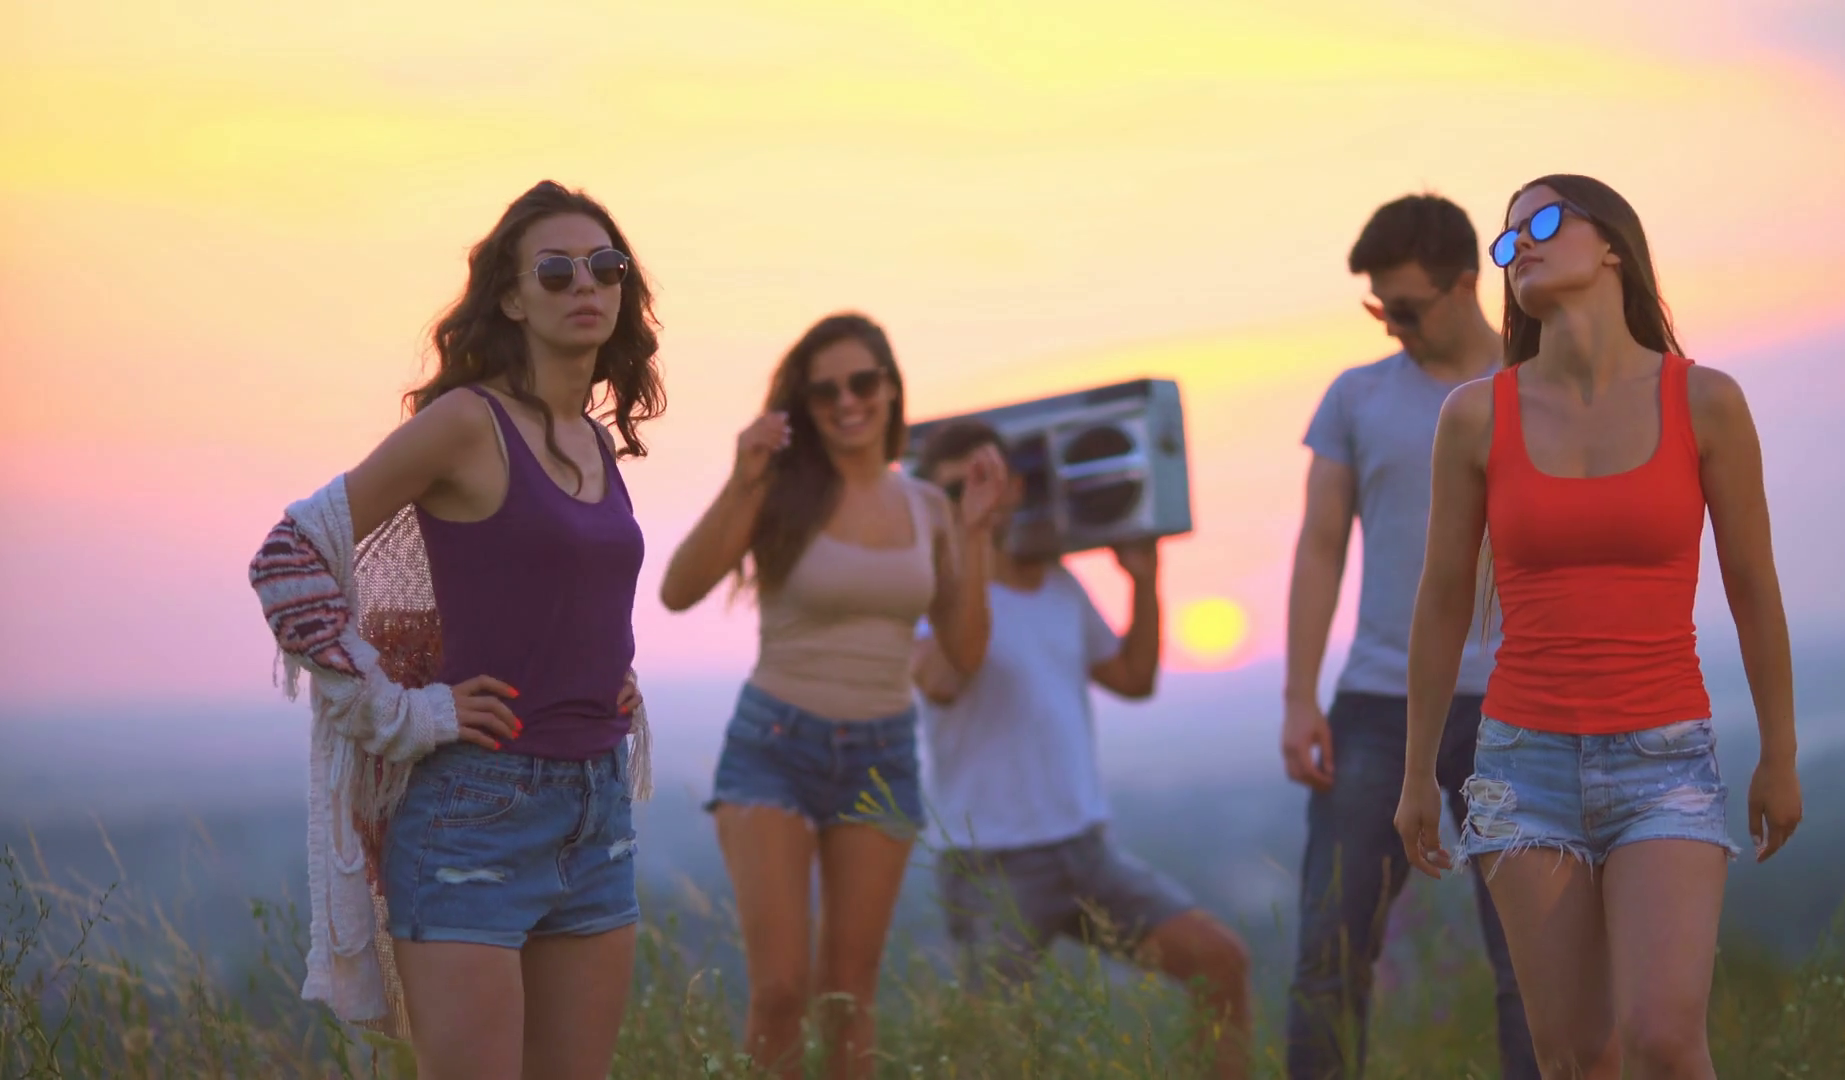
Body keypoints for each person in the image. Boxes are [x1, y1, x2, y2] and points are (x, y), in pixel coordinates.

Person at [247, 180, 662, 1080]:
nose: (585, 283)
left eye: (606, 266)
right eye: (555, 271)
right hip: (476, 816)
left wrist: (617, 679)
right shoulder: (468, 424)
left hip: (598, 813)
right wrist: (407, 712)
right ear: (511, 299)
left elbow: (558, 599)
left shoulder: (591, 440)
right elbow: (287, 559)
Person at [1395, 173, 1802, 1078]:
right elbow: (1441, 601)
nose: (1520, 248)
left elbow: (1752, 586)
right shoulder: (1475, 417)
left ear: (1612, 242)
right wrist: (1419, 769)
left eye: (1540, 222)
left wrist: (1780, 750)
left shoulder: (1706, 402)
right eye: (1507, 243)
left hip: (1664, 763)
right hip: (1518, 769)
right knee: (1577, 1059)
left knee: (1662, 1037)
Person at [658, 312, 1004, 1080]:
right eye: (825, 392)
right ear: (804, 408)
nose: (847, 402)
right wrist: (741, 477)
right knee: (780, 991)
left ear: (890, 389)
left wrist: (976, 535)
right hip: (774, 747)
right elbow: (679, 591)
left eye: (862, 382)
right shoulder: (783, 489)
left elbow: (966, 653)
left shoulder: (928, 509)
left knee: (850, 997)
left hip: (881, 757)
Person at [909, 419, 1255, 1080]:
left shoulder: (1058, 584)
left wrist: (1143, 581)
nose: (969, 499)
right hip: (991, 866)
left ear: (1012, 486)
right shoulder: (930, 599)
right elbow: (950, 675)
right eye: (951, 490)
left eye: (982, 481)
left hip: (1084, 848)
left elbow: (1132, 679)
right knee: (996, 1054)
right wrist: (974, 542)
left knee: (1220, 961)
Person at [1281, 193, 1539, 1078]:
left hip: (1520, 704)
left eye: (1407, 307)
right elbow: (1320, 547)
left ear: (1469, 283)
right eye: (1378, 309)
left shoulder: (1537, 387)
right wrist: (1296, 698)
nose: (1391, 327)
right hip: (1377, 708)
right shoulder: (1354, 398)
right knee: (1328, 954)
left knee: (1530, 965)